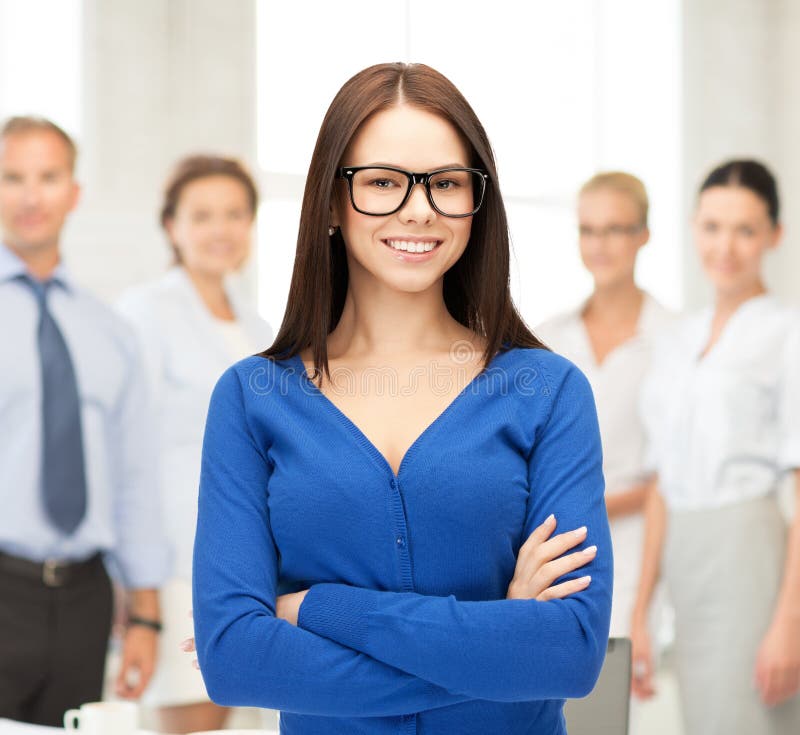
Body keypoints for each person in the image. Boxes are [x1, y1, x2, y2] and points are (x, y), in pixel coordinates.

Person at [190, 62, 612, 735]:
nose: (419, 209)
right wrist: (500, 641)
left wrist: (319, 609)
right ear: (332, 201)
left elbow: (570, 652)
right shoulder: (251, 399)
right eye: (383, 181)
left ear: (477, 202)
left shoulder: (548, 392)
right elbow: (235, 660)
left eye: (446, 183)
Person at [0, 116, 170, 727]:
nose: (31, 196)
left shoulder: (109, 331)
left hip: (85, 600)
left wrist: (146, 615)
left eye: (48, 177)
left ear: (74, 193)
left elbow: (133, 477)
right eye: (13, 177)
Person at [632, 159, 800, 734]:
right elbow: (661, 483)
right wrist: (642, 612)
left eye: (745, 230)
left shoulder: (787, 332)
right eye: (712, 227)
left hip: (750, 556)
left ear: (774, 235)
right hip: (685, 558)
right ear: (693, 228)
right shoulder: (675, 339)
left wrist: (790, 622)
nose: (725, 247)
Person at [116, 155, 273, 734]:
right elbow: (126, 453)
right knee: (193, 719)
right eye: (202, 215)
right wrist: (136, 588)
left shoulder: (260, 328)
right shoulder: (144, 313)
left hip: (258, 563)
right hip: (178, 563)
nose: (220, 230)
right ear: (171, 226)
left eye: (234, 214)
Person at [536, 173, 674, 694]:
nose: (600, 245)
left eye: (615, 229)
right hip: (558, 550)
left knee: (622, 699)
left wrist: (590, 503)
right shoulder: (547, 338)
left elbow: (668, 475)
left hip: (641, 549)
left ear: (643, 235)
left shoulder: (675, 338)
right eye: (588, 230)